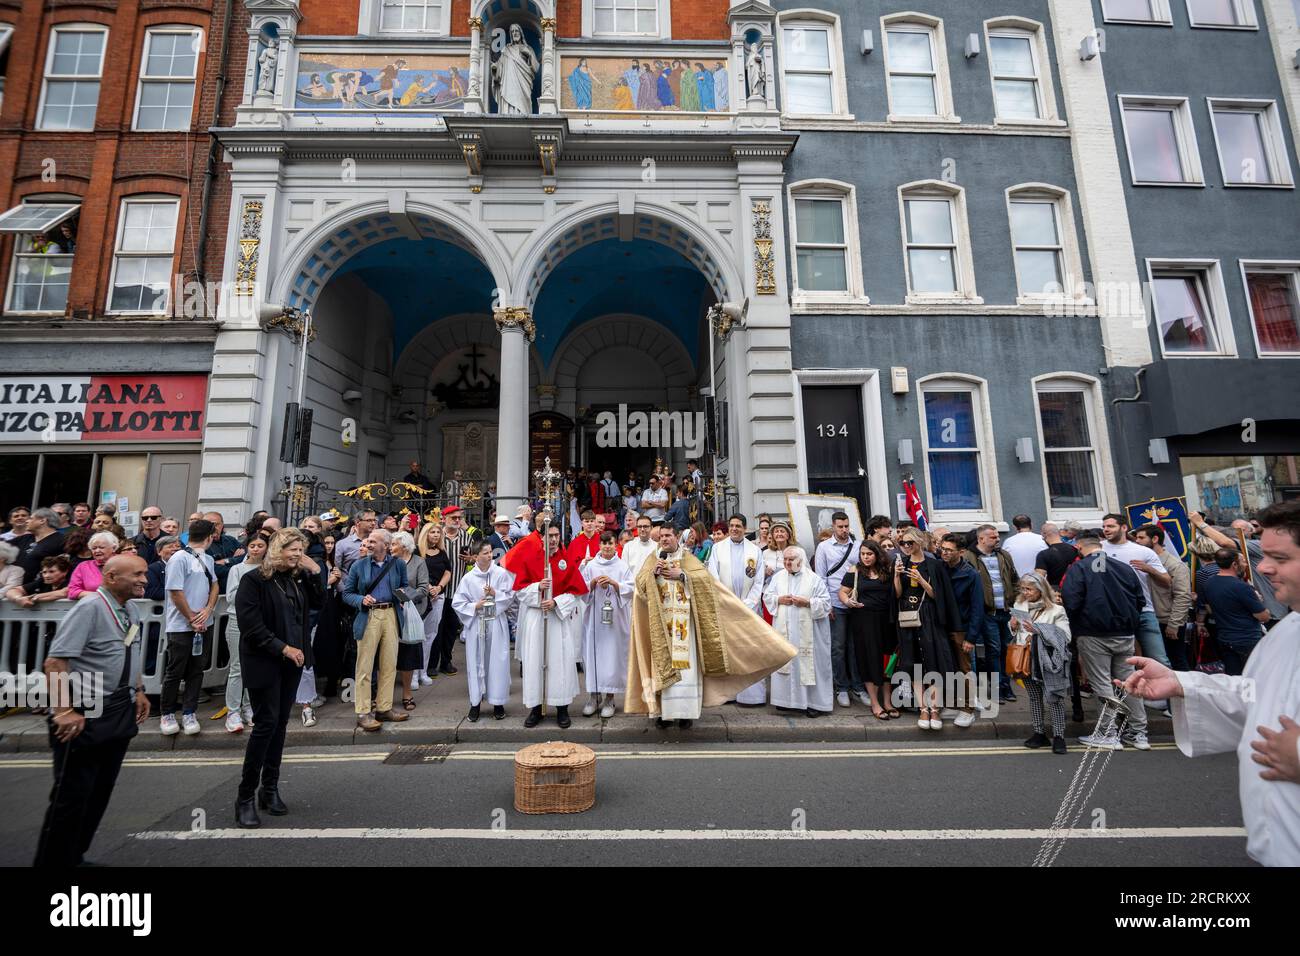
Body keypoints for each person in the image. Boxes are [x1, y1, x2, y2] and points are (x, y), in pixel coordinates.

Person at [1120, 500, 1300, 866]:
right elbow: (1253, 697)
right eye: (1264, 556)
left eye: (1279, 559)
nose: (1263, 568)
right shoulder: (1286, 633)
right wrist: (1181, 683)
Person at [33, 555, 150, 866]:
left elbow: (129, 650)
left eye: (145, 574)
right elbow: (55, 661)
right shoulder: (90, 608)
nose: (144, 580)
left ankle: (75, 856)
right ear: (110, 577)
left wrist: (137, 690)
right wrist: (63, 711)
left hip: (118, 708)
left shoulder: (131, 609)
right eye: (137, 574)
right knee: (71, 796)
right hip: (85, 714)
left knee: (99, 792)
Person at [626, 524, 796, 727]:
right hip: (662, 628)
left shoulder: (688, 559)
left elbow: (706, 583)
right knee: (663, 670)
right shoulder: (653, 559)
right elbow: (640, 588)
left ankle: (685, 715)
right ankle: (664, 715)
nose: (664, 539)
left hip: (685, 628)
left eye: (668, 535)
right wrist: (652, 576)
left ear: (676, 537)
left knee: (686, 673)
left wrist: (682, 576)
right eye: (661, 536)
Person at [232, 529, 322, 828]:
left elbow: (319, 603)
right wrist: (283, 648)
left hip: (292, 662)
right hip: (265, 661)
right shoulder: (254, 580)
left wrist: (315, 571)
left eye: (300, 549)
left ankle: (269, 789)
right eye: (291, 549)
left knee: (280, 723)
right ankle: (245, 796)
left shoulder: (294, 579)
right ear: (276, 549)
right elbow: (251, 626)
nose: (297, 554)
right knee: (265, 724)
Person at [1059, 533, 1150, 751]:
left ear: (1079, 547)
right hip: (1125, 632)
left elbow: (1072, 601)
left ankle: (1107, 734)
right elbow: (1140, 599)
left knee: (1101, 684)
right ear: (1100, 546)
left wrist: (1076, 625)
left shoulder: (1079, 568)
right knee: (1128, 682)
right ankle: (1139, 734)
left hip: (1093, 633)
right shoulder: (1124, 568)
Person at [505, 522, 588, 728]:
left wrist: (556, 602)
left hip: (557, 619)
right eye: (549, 535)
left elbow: (576, 592)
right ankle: (536, 708)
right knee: (535, 661)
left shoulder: (564, 559)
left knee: (560, 662)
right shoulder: (531, 558)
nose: (553, 540)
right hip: (536, 617)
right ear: (541, 537)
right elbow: (520, 590)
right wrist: (537, 588)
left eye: (556, 535)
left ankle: (562, 709)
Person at [343, 529, 411, 731]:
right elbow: (347, 593)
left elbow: (404, 587)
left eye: (373, 541)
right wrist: (361, 600)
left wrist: (402, 599)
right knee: (364, 666)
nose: (368, 544)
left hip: (390, 614)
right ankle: (363, 712)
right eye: (368, 540)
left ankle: (384, 708)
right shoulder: (359, 565)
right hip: (368, 615)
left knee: (389, 664)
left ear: (386, 545)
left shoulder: (397, 564)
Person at [894, 527, 959, 730]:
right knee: (913, 662)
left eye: (910, 543)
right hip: (907, 617)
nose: (906, 547)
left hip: (929, 616)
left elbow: (938, 595)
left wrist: (921, 580)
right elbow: (897, 595)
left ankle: (935, 709)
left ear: (919, 542)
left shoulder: (934, 564)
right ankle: (923, 708)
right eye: (903, 543)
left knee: (934, 660)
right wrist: (896, 577)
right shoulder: (900, 563)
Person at [160, 518, 219, 737]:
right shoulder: (179, 558)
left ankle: (189, 712)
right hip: (180, 626)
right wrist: (192, 618)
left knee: (196, 670)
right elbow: (175, 592)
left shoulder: (209, 559)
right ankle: (167, 714)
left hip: (204, 624)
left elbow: (214, 584)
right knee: (175, 671)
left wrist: (209, 609)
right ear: (210, 536)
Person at [1101, 513, 1173, 691]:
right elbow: (1096, 579)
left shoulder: (1143, 551)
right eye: (1104, 526)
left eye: (1110, 526)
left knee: (1159, 658)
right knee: (1121, 663)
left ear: (1124, 528)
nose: (1106, 529)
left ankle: (1170, 705)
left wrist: (1149, 569)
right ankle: (1128, 701)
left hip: (1143, 611)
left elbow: (1166, 580)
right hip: (1113, 613)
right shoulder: (1099, 550)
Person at [706, 514, 767, 706]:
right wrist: (728, 602)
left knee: (750, 651)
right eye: (731, 526)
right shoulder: (717, 548)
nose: (734, 529)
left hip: (748, 609)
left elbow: (759, 580)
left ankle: (752, 695)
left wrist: (748, 604)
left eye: (738, 526)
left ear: (745, 528)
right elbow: (712, 577)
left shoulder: (755, 550)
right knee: (728, 651)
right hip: (726, 607)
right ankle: (728, 693)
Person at [765, 546, 833, 717]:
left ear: (801, 561)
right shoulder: (778, 577)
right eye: (785, 559)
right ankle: (787, 702)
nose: (787, 563)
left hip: (809, 634)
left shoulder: (814, 579)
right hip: (785, 631)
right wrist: (778, 599)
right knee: (787, 663)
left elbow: (826, 604)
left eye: (791, 560)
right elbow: (767, 596)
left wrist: (808, 602)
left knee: (808, 665)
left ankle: (813, 703)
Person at [452, 540, 516, 721]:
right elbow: (457, 602)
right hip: (477, 624)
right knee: (475, 662)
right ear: (475, 557)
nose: (489, 556)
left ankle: (498, 702)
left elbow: (511, 595)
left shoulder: (501, 574)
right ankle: (475, 703)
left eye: (490, 552)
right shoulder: (468, 578)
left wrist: (496, 595)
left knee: (497, 662)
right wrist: (475, 606)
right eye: (485, 553)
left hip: (495, 622)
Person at [1011, 573, 1072, 754]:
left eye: (1029, 589)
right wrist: (1013, 626)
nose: (1025, 592)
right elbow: (1018, 634)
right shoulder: (1019, 605)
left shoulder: (1056, 610)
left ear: (1041, 590)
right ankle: (1039, 733)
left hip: (1048, 661)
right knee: (1034, 697)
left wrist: (1038, 630)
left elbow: (1065, 637)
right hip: (1026, 659)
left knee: (1054, 698)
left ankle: (1059, 736)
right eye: (1023, 588)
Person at [579, 531, 635, 718]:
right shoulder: (591, 566)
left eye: (610, 543)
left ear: (615, 544)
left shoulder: (622, 566)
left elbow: (631, 588)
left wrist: (614, 583)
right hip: (595, 619)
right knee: (594, 656)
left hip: (615, 621)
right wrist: (593, 583)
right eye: (603, 544)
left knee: (612, 657)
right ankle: (594, 696)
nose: (607, 547)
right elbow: (581, 589)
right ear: (599, 546)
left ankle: (610, 698)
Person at [840, 539, 898, 720]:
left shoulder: (887, 570)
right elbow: (842, 592)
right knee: (868, 659)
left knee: (888, 659)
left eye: (869, 554)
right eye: (863, 554)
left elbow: (896, 594)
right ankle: (875, 703)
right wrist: (847, 601)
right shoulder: (854, 570)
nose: (865, 557)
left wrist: (896, 576)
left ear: (877, 554)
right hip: (863, 621)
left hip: (886, 620)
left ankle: (887, 701)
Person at [963, 525, 1020, 704]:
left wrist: (1015, 609)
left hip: (1005, 610)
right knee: (994, 650)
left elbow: (1014, 580)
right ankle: (998, 690)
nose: (997, 539)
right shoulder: (970, 557)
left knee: (1004, 649)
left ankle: (1005, 686)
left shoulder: (1003, 555)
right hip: (987, 612)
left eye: (997, 536)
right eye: (993, 537)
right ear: (981, 539)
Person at [1195, 548, 1269, 675]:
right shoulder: (1242, 587)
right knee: (1253, 677)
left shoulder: (1209, 583)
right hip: (1247, 640)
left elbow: (1208, 609)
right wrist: (1258, 602)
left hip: (1224, 639)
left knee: (1233, 677)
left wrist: (1200, 624)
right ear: (1234, 564)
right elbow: (1263, 617)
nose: (1245, 564)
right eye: (1243, 561)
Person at [223, 529, 269, 733]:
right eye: (253, 545)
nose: (257, 549)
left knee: (256, 667)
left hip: (261, 623)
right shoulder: (237, 569)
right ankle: (233, 711)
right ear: (246, 548)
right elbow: (231, 597)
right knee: (237, 668)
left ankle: (249, 707)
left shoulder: (270, 569)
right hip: (237, 621)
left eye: (260, 545)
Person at [814, 511, 859, 709]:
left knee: (855, 646)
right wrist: (827, 604)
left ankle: (858, 686)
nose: (844, 530)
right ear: (833, 527)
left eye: (846, 526)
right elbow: (821, 577)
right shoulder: (823, 547)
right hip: (835, 602)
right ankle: (841, 687)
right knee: (838, 647)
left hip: (856, 602)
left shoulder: (858, 545)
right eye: (840, 526)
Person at [1134, 524, 1193, 671]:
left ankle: (1183, 692)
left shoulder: (1174, 565)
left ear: (1154, 539)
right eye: (1136, 538)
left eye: (1141, 538)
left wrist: (1174, 624)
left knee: (1176, 661)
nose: (1137, 541)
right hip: (1147, 617)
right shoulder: (1141, 561)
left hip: (1166, 621)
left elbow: (1182, 596)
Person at [938, 534, 983, 725]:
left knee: (964, 669)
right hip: (942, 626)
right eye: (942, 549)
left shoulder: (970, 574)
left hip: (961, 628)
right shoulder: (940, 568)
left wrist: (971, 637)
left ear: (961, 552)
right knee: (947, 667)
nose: (944, 553)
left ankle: (967, 709)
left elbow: (977, 608)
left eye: (949, 550)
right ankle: (951, 704)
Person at [392, 530, 429, 712]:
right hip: (391, 613)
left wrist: (405, 598)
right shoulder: (390, 563)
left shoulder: (418, 562)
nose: (391, 547)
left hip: (411, 613)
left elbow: (423, 588)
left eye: (394, 544)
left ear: (404, 546)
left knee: (408, 653)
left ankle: (407, 694)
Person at [419, 523, 453, 686]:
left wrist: (439, 587)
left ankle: (423, 671)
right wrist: (427, 588)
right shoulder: (417, 552)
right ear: (425, 534)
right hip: (420, 598)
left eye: (438, 532)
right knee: (416, 636)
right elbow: (413, 573)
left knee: (430, 635)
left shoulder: (442, 553)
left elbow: (448, 571)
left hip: (437, 597)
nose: (436, 535)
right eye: (432, 532)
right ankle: (412, 674)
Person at [17, 508, 64, 588]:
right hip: (14, 588)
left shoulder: (62, 540)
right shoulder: (25, 538)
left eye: (31, 518)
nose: (27, 521)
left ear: (42, 521)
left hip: (40, 589)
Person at [67, 532, 119, 600]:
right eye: (94, 548)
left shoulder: (125, 563)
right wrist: (100, 596)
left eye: (101, 547)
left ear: (113, 548)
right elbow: (72, 591)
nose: (97, 550)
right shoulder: (83, 566)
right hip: (94, 606)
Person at [5, 554, 71, 606]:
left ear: (64, 572)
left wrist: (31, 597)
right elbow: (12, 590)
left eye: (52, 571)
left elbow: (63, 593)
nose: (46, 575)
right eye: (44, 572)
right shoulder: (41, 581)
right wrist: (18, 598)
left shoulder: (70, 582)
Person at [1034, 521, 1078, 590]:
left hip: (1055, 591)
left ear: (1044, 535)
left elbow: (1039, 579)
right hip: (1074, 588)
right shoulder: (1074, 549)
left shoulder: (1043, 554)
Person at [1003, 514, 1046, 579]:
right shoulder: (1042, 539)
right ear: (1031, 524)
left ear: (1014, 527)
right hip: (1039, 582)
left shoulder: (1008, 542)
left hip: (1018, 582)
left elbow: (1004, 563)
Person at [621, 513, 658, 579]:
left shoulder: (657, 547)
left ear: (651, 528)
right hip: (632, 585)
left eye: (646, 526)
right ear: (636, 527)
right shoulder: (628, 546)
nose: (642, 529)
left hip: (651, 585)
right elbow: (623, 570)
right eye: (640, 527)